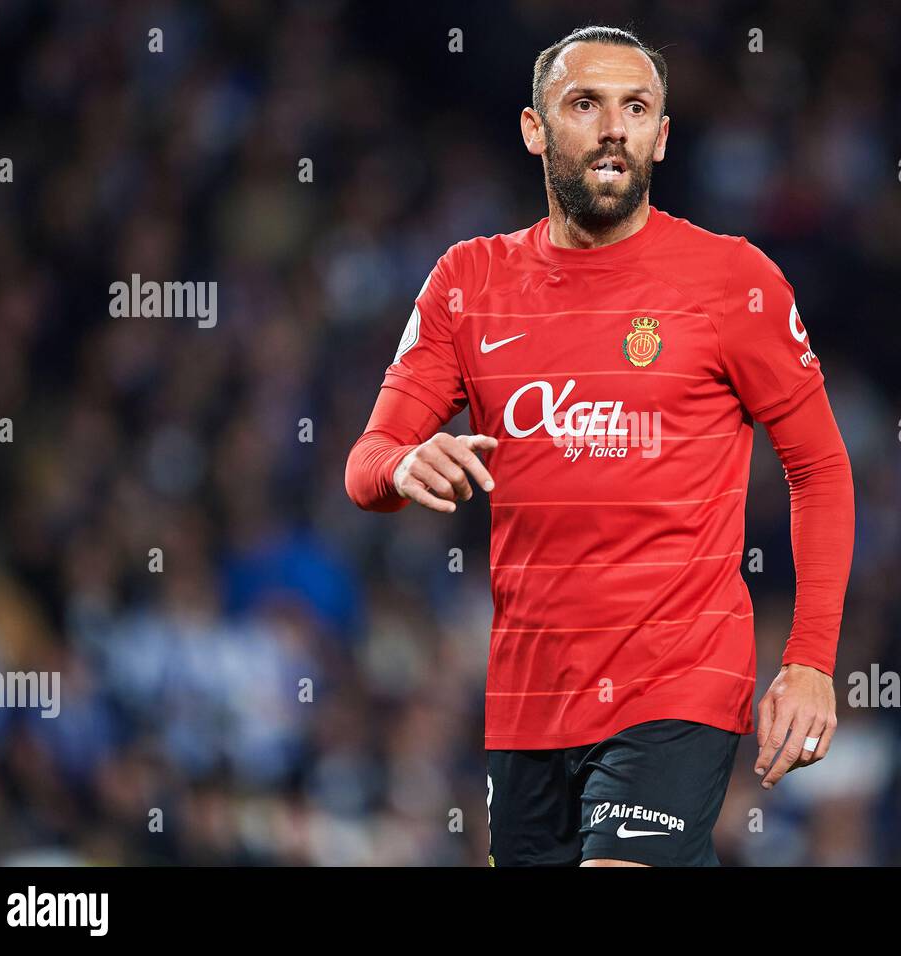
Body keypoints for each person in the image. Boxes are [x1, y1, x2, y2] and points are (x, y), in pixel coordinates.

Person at [346, 25, 854, 867]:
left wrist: (809, 660)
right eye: (586, 104)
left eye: (636, 107)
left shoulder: (734, 283)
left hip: (678, 677)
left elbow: (820, 468)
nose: (613, 126)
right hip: (528, 693)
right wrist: (402, 465)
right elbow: (367, 462)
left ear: (661, 134)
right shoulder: (467, 284)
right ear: (535, 129)